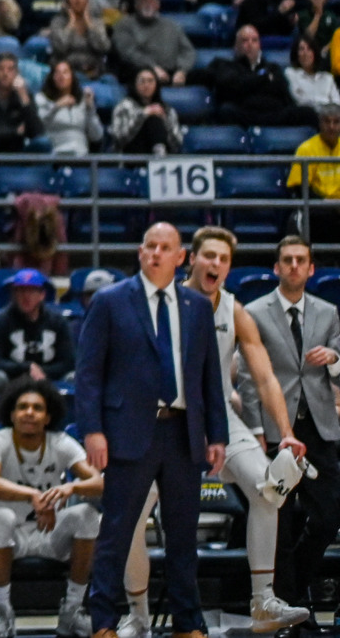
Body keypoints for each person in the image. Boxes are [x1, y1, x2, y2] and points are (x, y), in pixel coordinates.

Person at [118, 229, 311, 636]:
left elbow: (264, 378)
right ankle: (137, 614)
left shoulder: (235, 311)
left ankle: (263, 598)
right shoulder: (163, 302)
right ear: (192, 260)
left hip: (218, 415)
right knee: (133, 517)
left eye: (224, 259)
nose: (216, 265)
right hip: (163, 419)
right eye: (209, 256)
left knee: (269, 487)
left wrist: (287, 432)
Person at [77, 222, 229, 638]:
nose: (156, 253)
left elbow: (208, 377)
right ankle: (104, 622)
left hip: (183, 432)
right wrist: (92, 429)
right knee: (117, 532)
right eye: (150, 246)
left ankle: (187, 623)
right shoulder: (110, 301)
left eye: (166, 247)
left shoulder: (197, 306)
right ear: (140, 252)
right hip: (128, 431)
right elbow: (88, 373)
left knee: (183, 537)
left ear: (182, 257)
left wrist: (217, 435)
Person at [246, 237, 340, 616]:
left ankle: (293, 587)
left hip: (318, 425)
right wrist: (255, 428)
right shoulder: (254, 311)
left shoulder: (329, 312)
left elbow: (338, 367)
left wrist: (334, 358)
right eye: (288, 260)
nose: (295, 266)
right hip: (274, 425)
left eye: (302, 260)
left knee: (329, 515)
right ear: (277, 267)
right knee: (279, 520)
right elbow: (249, 379)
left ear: (312, 268)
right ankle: (287, 604)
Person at [0, 376, 104, 638]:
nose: (29, 413)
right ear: (11, 414)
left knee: (88, 514)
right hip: (6, 537)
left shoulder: (60, 442)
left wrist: (72, 488)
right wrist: (33, 495)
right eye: (22, 407)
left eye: (37, 408)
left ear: (48, 417)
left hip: (48, 535)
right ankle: (2, 614)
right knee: (2, 516)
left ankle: (71, 613)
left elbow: (98, 483)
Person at [0, 269, 75, 391]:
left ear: (42, 295)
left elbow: (69, 362)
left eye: (32, 291)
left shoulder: (58, 322)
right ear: (14, 294)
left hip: (49, 380)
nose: (26, 296)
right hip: (11, 381)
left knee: (74, 377)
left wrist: (41, 371)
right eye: (21, 290)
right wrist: (26, 368)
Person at [207, 23, 313, 128]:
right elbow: (232, 88)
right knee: (226, 111)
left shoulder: (273, 68)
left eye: (254, 40)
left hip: (274, 115)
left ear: (259, 45)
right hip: (245, 115)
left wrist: (249, 85)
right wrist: (264, 79)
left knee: (307, 113)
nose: (250, 44)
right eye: (245, 40)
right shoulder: (226, 66)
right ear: (236, 46)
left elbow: (281, 90)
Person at [110, 0, 193, 86]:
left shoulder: (172, 26)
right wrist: (153, 68)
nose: (148, 4)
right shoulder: (124, 25)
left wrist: (182, 71)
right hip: (139, 74)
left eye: (152, 0)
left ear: (158, 4)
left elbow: (188, 51)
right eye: (144, 0)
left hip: (172, 74)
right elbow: (128, 52)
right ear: (136, 3)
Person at [36, 59, 104, 157]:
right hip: (54, 157)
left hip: (81, 156)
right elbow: (38, 126)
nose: (61, 76)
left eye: (65, 72)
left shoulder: (82, 101)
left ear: (72, 76)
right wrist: (56, 107)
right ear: (52, 77)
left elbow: (97, 136)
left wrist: (90, 109)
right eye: (57, 73)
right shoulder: (42, 99)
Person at [111, 67, 185, 155]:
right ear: (135, 84)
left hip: (164, 157)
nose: (146, 85)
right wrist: (142, 115)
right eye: (142, 81)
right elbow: (119, 139)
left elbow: (177, 143)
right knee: (151, 118)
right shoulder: (123, 107)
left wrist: (164, 120)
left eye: (150, 81)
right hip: (133, 154)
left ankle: (159, 154)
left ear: (156, 84)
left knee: (155, 119)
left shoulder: (167, 109)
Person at [47, 0, 111, 80]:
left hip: (94, 73)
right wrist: (71, 23)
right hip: (66, 75)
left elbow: (103, 47)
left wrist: (89, 24)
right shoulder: (57, 22)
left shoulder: (96, 22)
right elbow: (60, 48)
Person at [287, 104, 340, 203]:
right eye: (327, 122)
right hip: (318, 206)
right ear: (320, 124)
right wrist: (326, 203)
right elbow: (299, 187)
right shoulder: (306, 149)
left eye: (336, 122)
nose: (331, 127)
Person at [287, 36, 340, 109]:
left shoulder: (328, 78)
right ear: (296, 54)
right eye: (301, 49)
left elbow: (337, 103)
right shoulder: (290, 74)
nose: (305, 53)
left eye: (309, 49)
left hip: (328, 117)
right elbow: (299, 100)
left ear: (315, 53)